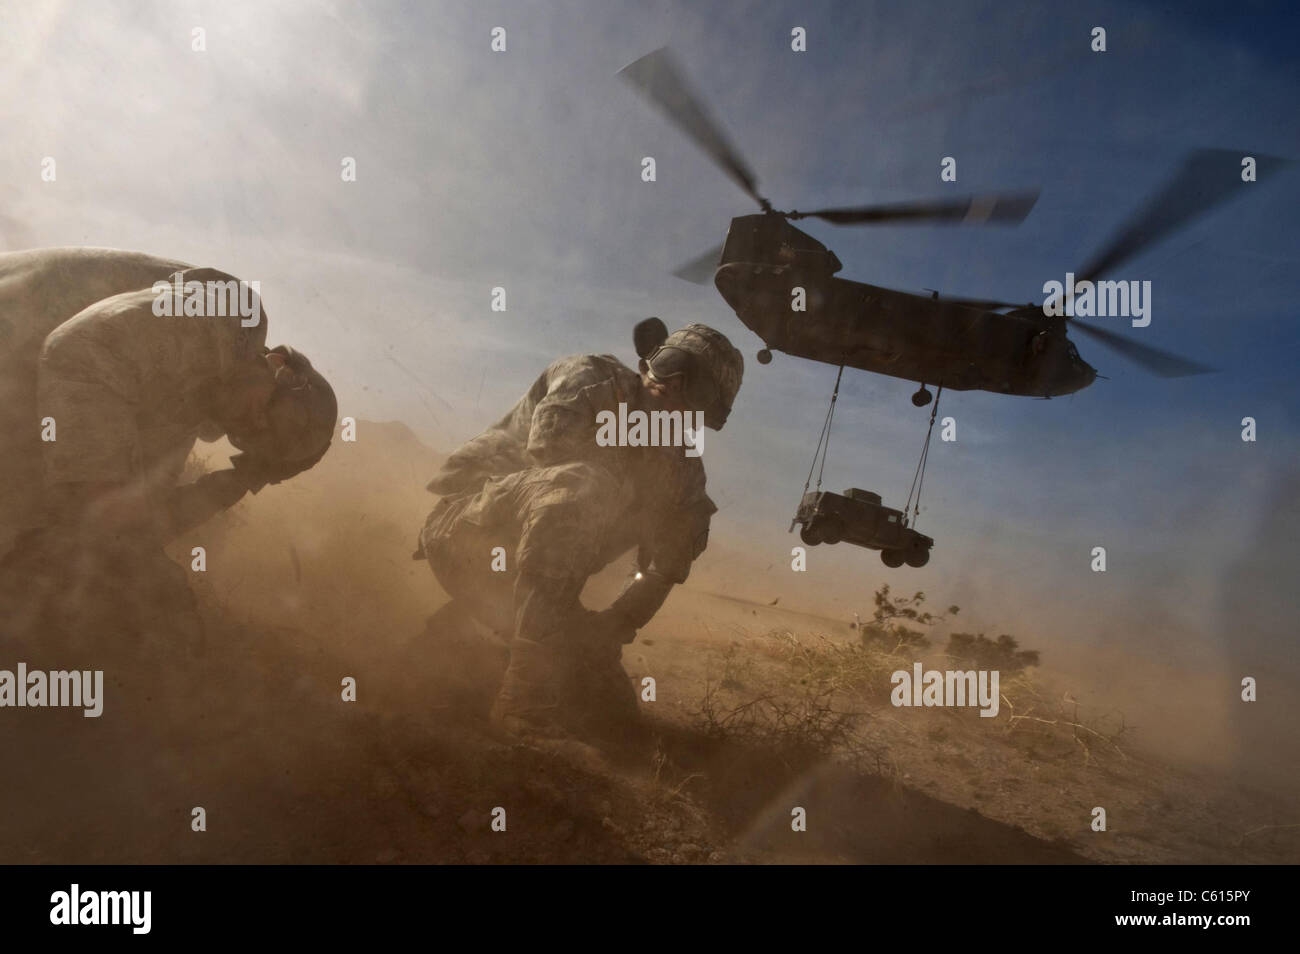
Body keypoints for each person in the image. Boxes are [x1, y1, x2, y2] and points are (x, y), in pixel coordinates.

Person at [417, 319, 742, 743]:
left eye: (695, 387)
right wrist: (645, 484)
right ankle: (522, 696)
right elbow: (553, 457)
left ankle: (466, 638)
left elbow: (671, 556)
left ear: (707, 411)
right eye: (671, 364)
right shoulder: (591, 379)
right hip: (463, 533)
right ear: (652, 362)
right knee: (586, 485)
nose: (674, 384)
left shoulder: (681, 465)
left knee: (609, 715)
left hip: (530, 588)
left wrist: (612, 628)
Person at [0, 247, 337, 644]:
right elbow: (81, 349)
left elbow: (134, 529)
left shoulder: (181, 410)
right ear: (279, 363)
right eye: (269, 410)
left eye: (254, 436)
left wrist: (242, 477)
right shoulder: (229, 319)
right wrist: (95, 513)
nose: (251, 421)